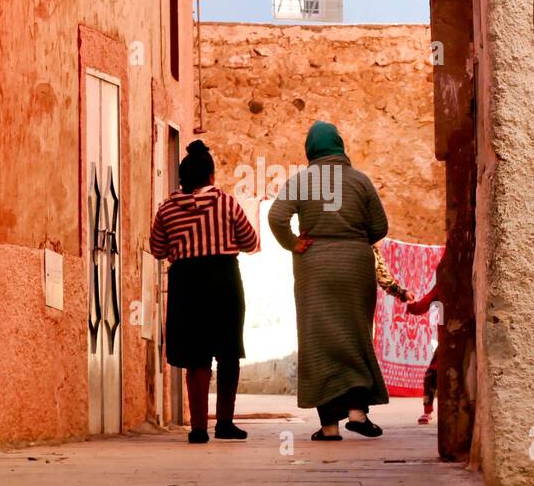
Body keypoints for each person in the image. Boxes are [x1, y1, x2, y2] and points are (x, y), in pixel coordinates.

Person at [269, 121, 389, 441]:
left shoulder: (300, 181)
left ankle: (329, 427)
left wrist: (293, 243)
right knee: (355, 335)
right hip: (355, 265)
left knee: (318, 341)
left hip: (315, 266)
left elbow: (276, 216)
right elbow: (380, 227)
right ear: (339, 145)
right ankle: (357, 414)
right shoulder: (360, 181)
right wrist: (353, 238)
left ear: (311, 149)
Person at [148, 140, 258, 444]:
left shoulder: (167, 209)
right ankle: (225, 422)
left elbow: (157, 249)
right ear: (211, 176)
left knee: (196, 356)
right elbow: (249, 241)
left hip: (186, 282)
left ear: (182, 178)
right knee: (228, 351)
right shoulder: (226, 203)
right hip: (224, 279)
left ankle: (198, 427)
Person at [406, 278, 442, 425]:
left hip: (450, 338)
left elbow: (421, 307)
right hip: (454, 338)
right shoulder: (444, 283)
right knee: (432, 374)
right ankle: (427, 411)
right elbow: (422, 306)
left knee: (431, 374)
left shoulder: (443, 282)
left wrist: (411, 305)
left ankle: (427, 411)